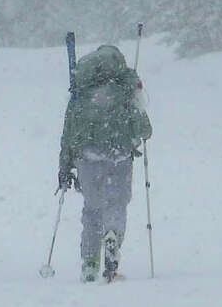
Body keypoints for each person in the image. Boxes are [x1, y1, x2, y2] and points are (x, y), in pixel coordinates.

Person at [57, 45, 153, 282]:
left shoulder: (81, 90)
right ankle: (112, 236)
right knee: (117, 204)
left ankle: (90, 261)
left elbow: (69, 132)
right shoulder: (125, 86)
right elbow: (144, 129)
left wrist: (64, 167)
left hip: (87, 157)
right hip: (119, 155)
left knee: (92, 209)